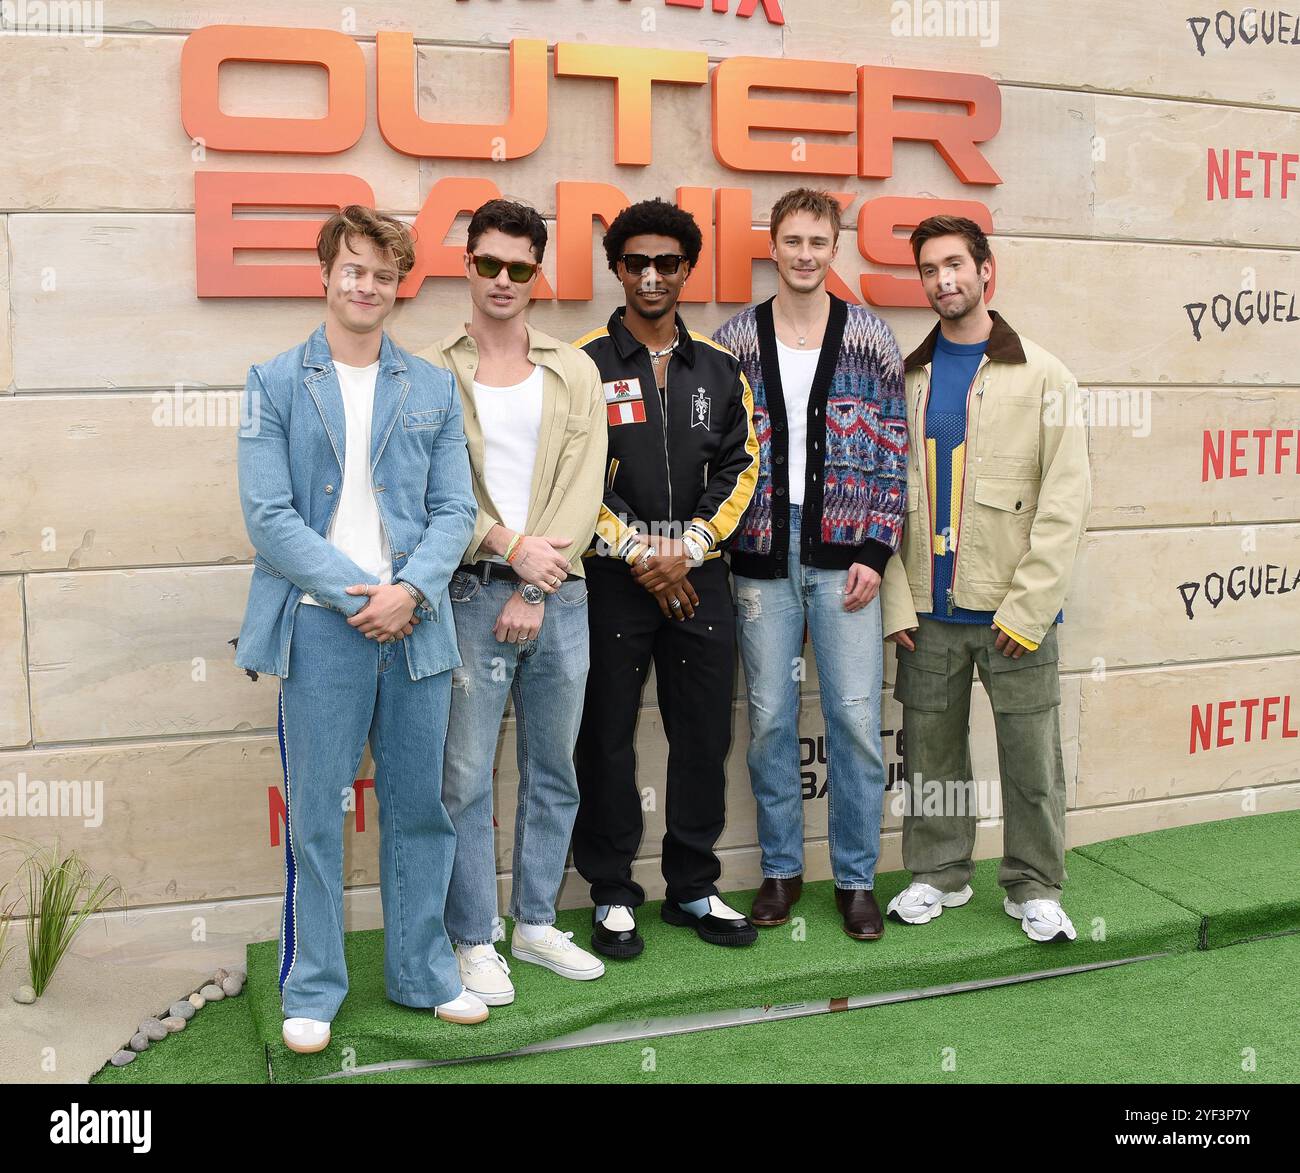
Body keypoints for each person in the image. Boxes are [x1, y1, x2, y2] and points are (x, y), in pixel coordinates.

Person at [234, 206, 486, 1054]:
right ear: (327, 273)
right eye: (354, 269)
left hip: (416, 624)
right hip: (320, 629)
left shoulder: (431, 386)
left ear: (397, 286)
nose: (367, 285)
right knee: (315, 816)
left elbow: (455, 508)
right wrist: (359, 596)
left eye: (383, 273)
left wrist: (409, 589)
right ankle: (312, 987)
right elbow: (268, 517)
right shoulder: (274, 382)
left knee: (420, 809)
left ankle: (423, 971)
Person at [880, 215, 1090, 943]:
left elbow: (1065, 505)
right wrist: (898, 601)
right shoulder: (909, 377)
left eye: (955, 265)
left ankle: (1035, 884)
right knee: (932, 755)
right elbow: (888, 496)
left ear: (985, 271)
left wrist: (1029, 608)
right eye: (930, 269)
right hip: (929, 613)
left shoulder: (1044, 374)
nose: (944, 280)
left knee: (1032, 761)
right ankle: (939, 873)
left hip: (1012, 613)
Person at [419, 199, 608, 1005]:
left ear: (538, 274)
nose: (503, 279)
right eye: (489, 263)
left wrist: (535, 581)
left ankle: (534, 920)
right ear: (467, 264)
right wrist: (504, 548)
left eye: (519, 267)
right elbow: (435, 490)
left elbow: (585, 481)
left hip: (560, 598)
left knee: (553, 766)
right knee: (462, 775)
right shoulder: (430, 370)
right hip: (467, 595)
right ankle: (473, 936)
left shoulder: (575, 369)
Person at [713, 188, 907, 941]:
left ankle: (856, 877)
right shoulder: (736, 340)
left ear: (835, 247)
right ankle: (782, 868)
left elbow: (893, 450)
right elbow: (724, 454)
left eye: (817, 241)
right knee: (767, 718)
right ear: (773, 245)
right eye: (791, 240)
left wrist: (876, 549)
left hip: (846, 555)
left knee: (856, 719)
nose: (803, 253)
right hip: (761, 552)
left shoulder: (870, 337)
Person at [573, 198, 760, 956]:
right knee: (606, 737)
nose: (652, 276)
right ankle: (612, 891)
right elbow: (574, 474)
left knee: (703, 733)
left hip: (700, 574)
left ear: (687, 270)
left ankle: (692, 886)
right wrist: (642, 554)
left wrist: (689, 545)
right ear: (617, 269)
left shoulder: (720, 367)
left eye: (668, 263)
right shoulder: (580, 364)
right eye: (636, 262)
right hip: (615, 578)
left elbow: (741, 467)